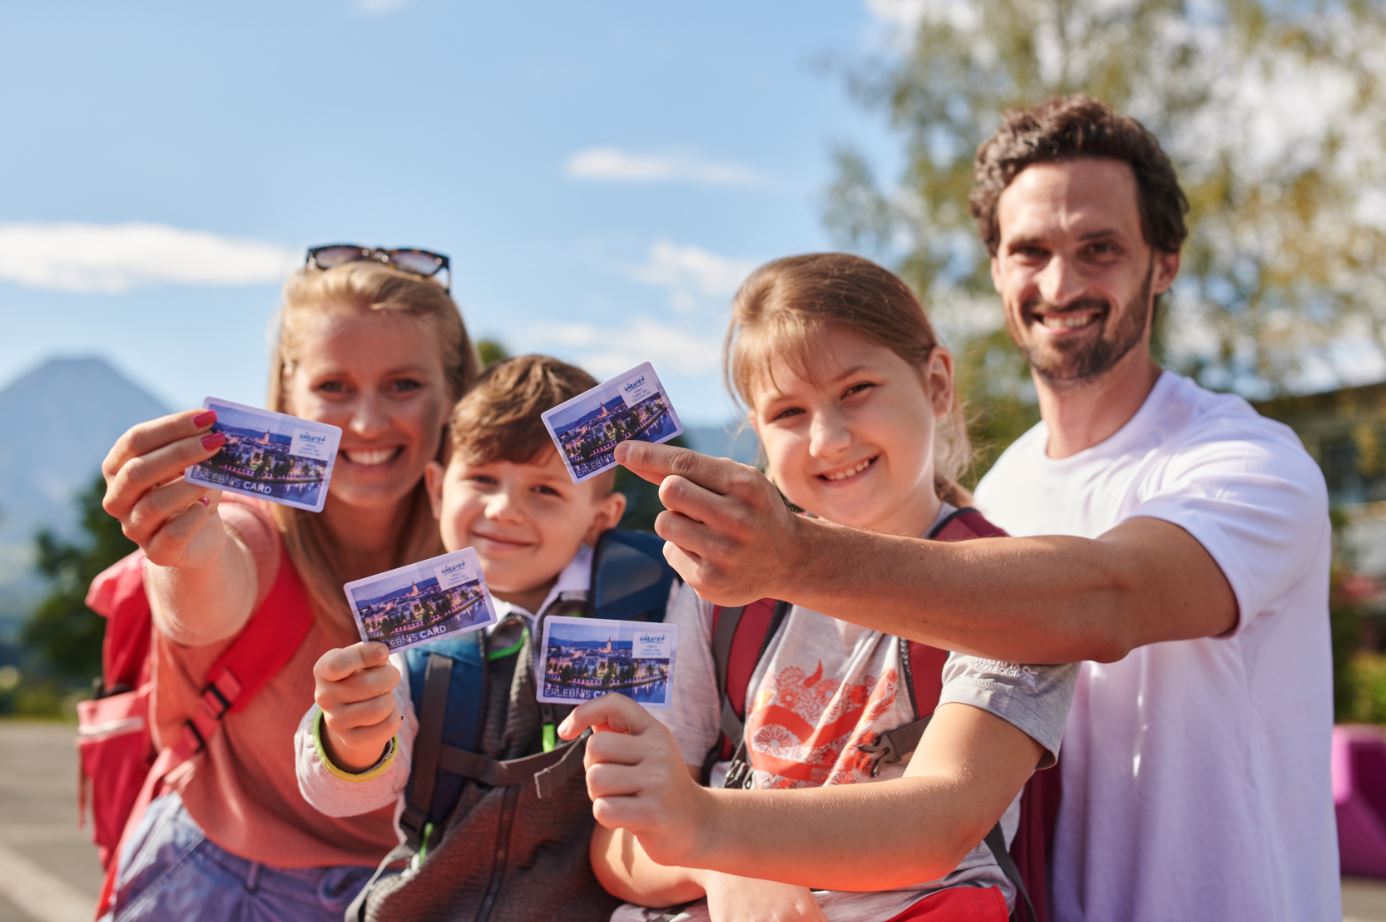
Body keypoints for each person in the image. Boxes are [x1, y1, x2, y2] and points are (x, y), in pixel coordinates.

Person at [606, 96, 1338, 922]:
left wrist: (790, 560)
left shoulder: (1249, 464)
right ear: (996, 269)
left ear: (1163, 262)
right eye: (1030, 251)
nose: (1061, 283)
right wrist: (722, 860)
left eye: (1099, 248)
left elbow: (1103, 601)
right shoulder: (1007, 488)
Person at [567, 253, 1075, 922]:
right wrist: (718, 867)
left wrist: (715, 831)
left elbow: (937, 825)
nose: (829, 439)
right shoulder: (712, 589)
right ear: (757, 435)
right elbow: (617, 851)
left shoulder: (1009, 588)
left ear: (938, 384)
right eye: (787, 413)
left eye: (857, 389)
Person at [98, 250, 479, 920]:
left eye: (402, 385)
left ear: (452, 395)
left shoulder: (494, 545)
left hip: (418, 897)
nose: (364, 422)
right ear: (287, 395)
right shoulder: (251, 528)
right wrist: (183, 544)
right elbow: (206, 591)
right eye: (334, 387)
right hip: (222, 890)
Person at [296, 354, 631, 920]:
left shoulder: (645, 611)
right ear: (436, 488)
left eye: (545, 491)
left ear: (601, 517)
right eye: (481, 479)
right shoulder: (417, 620)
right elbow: (342, 795)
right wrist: (349, 737)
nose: (503, 510)